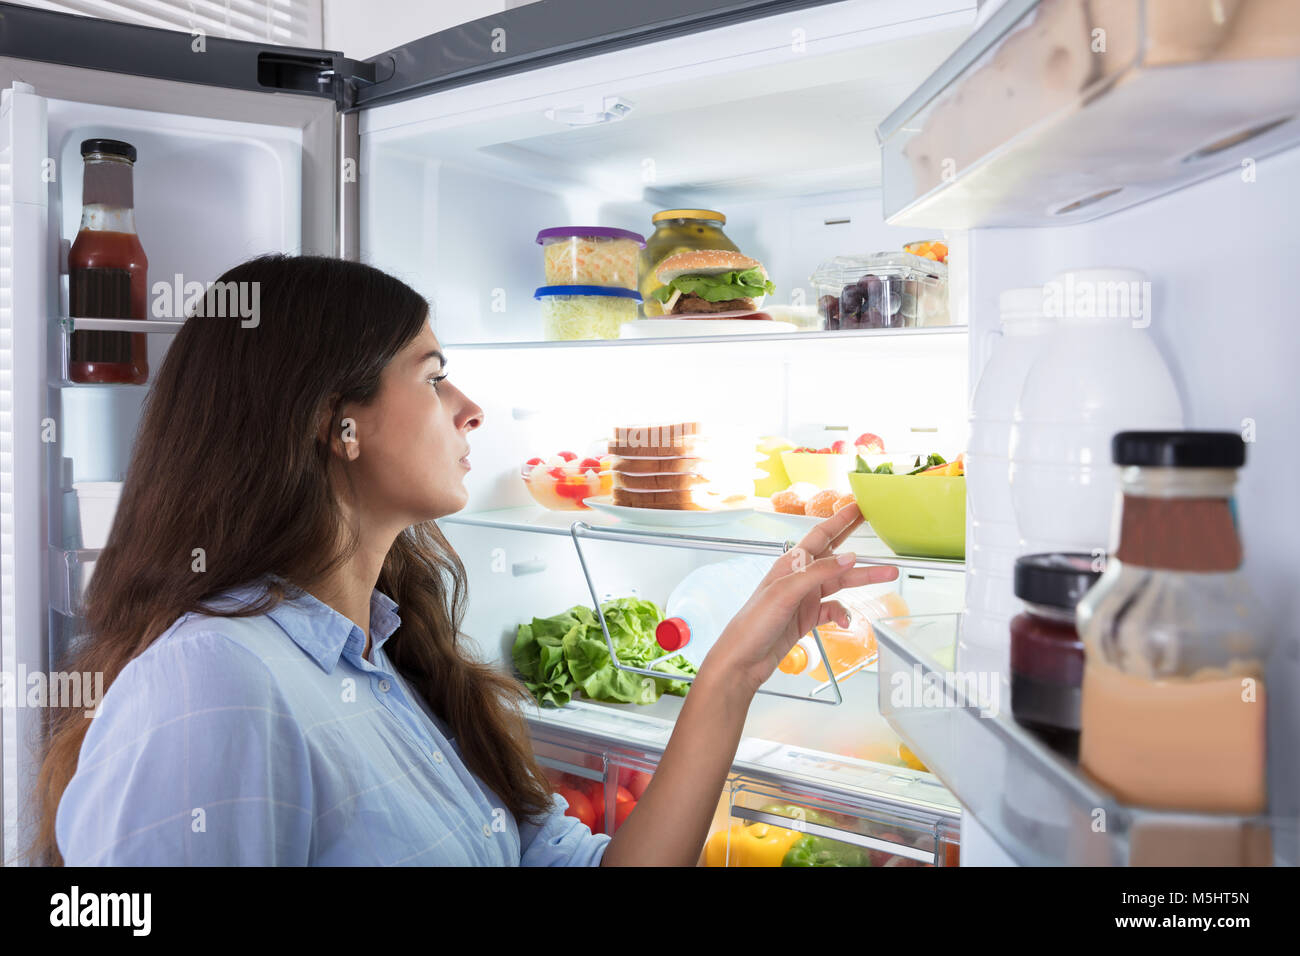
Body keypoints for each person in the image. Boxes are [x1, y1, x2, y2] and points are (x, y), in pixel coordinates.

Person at [34, 255, 897, 866]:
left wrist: (733, 666)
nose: (472, 408)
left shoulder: (383, 660)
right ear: (336, 422)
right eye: (434, 375)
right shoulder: (211, 684)